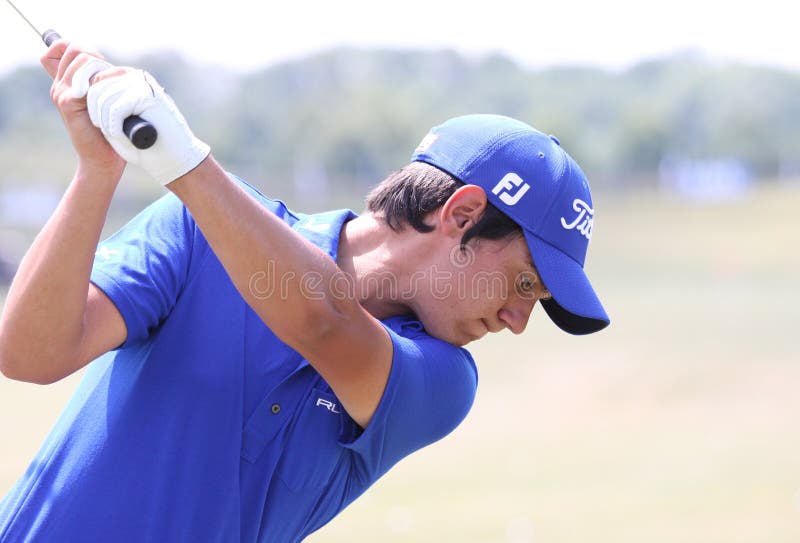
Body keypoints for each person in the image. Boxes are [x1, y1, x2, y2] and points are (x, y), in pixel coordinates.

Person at [0, 41, 609, 543]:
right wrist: (98, 171)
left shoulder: (445, 381)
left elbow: (327, 324)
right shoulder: (196, 229)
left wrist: (183, 162)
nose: (519, 318)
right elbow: (28, 355)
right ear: (464, 214)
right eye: (526, 283)